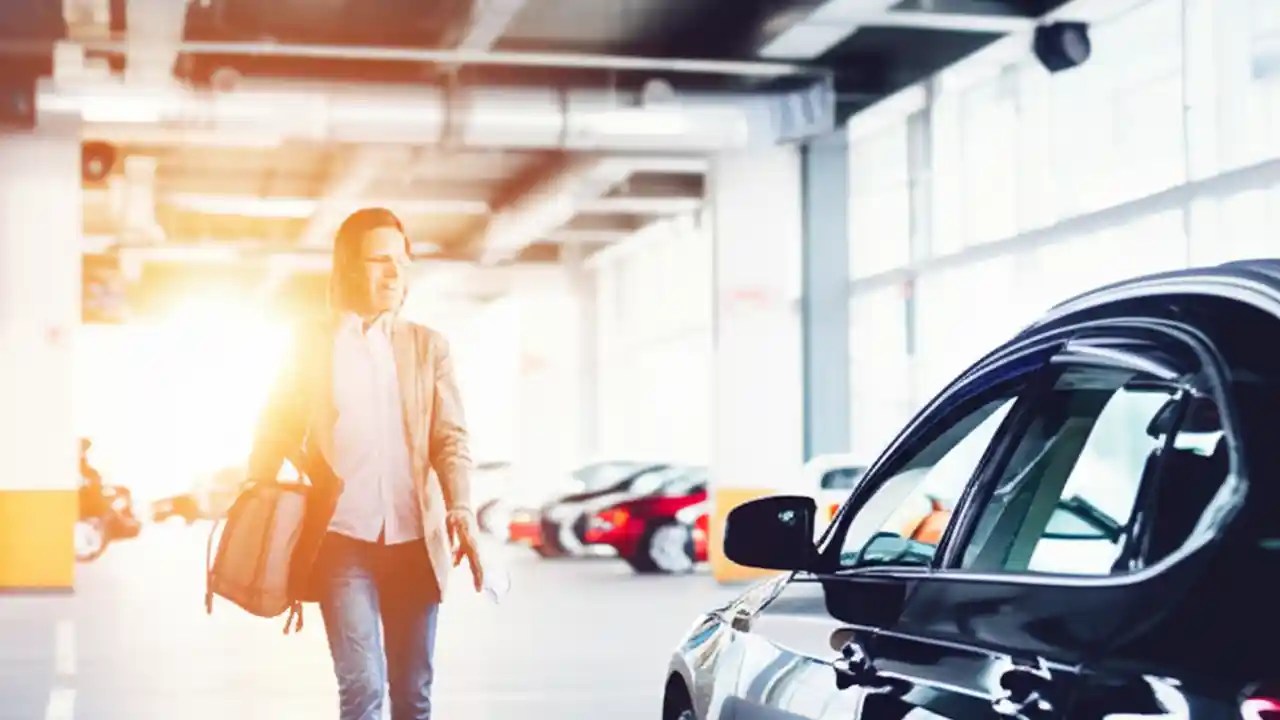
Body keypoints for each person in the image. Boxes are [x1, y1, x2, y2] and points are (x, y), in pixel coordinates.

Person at [246, 207, 484, 720]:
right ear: (349, 268)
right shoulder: (313, 345)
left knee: (412, 694)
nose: (394, 273)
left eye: (401, 261)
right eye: (378, 260)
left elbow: (451, 438)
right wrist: (258, 493)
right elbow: (276, 425)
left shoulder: (428, 347)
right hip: (342, 541)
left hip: (417, 544)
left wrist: (461, 507)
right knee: (362, 688)